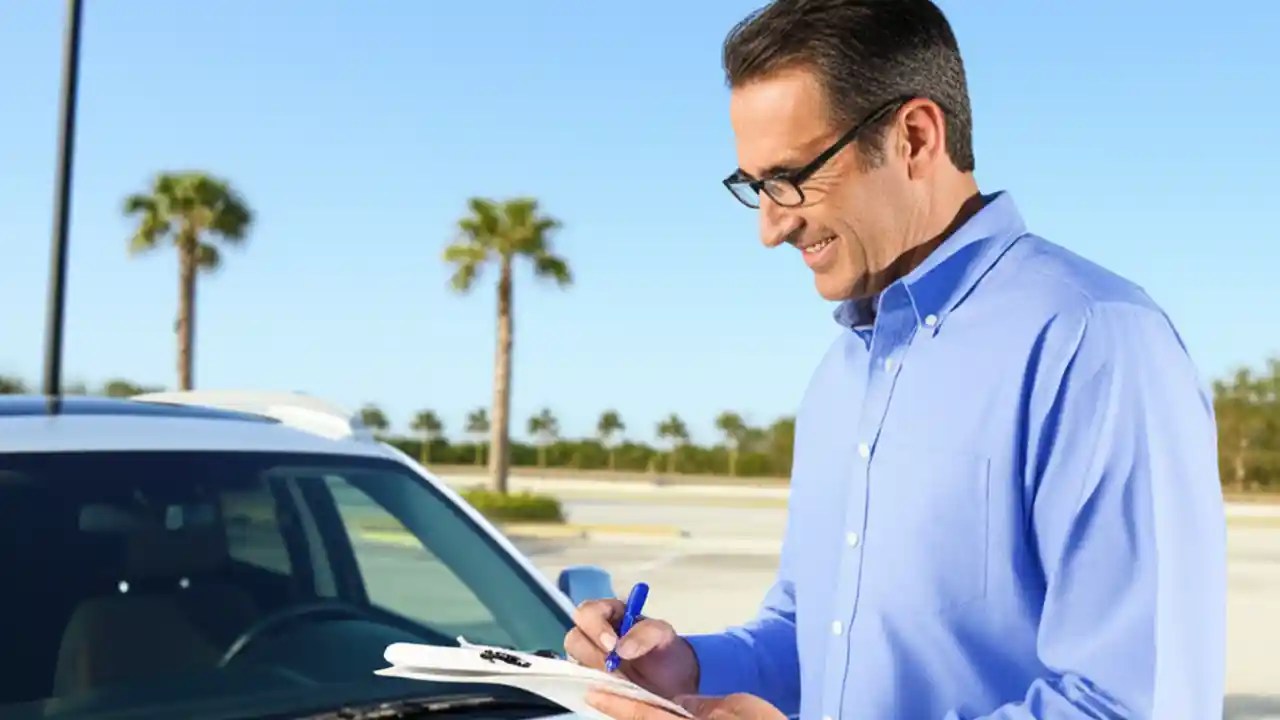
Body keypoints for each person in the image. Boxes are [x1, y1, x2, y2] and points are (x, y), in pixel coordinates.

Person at [567, 0, 1228, 718]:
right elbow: (814, 637)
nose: (770, 226)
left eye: (791, 177)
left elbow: (1130, 705)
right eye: (755, 187)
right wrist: (685, 664)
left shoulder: (1095, 343)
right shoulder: (840, 375)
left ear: (914, 136)